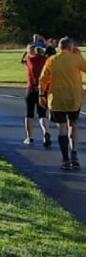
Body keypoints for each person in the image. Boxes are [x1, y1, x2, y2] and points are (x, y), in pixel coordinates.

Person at [38, 36, 85, 173]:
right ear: (71, 47)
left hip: (57, 97)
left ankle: (65, 159)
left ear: (59, 47)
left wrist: (42, 95)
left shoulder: (51, 60)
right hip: (74, 97)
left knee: (62, 128)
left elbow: (43, 80)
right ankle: (74, 153)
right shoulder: (76, 59)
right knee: (73, 124)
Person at [23, 35, 53, 148]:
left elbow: (29, 66)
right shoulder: (45, 61)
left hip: (31, 89)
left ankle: (29, 137)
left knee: (29, 114)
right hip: (43, 90)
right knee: (42, 114)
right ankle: (46, 131)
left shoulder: (30, 60)